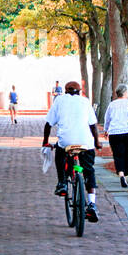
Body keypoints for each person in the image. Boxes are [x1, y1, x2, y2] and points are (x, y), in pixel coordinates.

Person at [43, 80, 101, 222]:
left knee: (60, 154)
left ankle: (62, 182)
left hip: (66, 141)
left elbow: (48, 124)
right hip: (85, 142)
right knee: (89, 170)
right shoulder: (85, 101)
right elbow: (93, 125)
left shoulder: (59, 100)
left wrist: (45, 141)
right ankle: (92, 204)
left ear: (65, 90)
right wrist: (97, 142)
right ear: (80, 91)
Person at [103, 83, 128, 188]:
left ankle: (121, 174)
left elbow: (107, 119)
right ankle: (125, 174)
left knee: (117, 155)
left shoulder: (112, 104)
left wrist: (106, 130)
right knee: (127, 154)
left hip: (115, 133)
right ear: (125, 93)